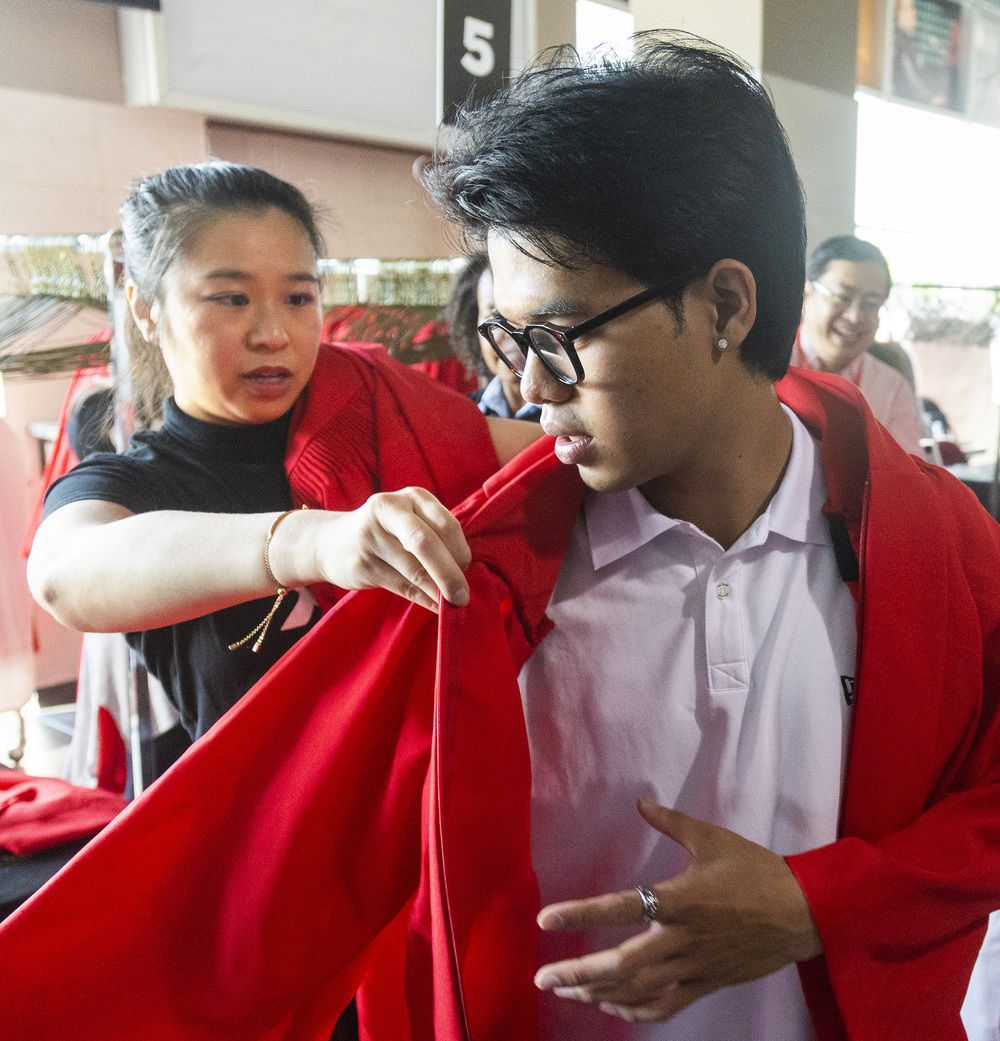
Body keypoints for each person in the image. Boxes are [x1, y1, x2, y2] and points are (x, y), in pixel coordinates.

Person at [418, 32, 1000, 1040]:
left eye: (560, 337)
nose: (524, 385)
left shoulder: (927, 542)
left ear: (726, 303)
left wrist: (822, 905)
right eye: (506, 339)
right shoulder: (489, 570)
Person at [23, 161, 539, 1040]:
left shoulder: (385, 416)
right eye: (229, 299)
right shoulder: (134, 479)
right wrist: (309, 541)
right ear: (147, 309)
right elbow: (68, 572)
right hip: (260, 884)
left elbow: (559, 462)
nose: (273, 333)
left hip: (427, 868)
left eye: (298, 298)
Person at [795, 234, 925, 453]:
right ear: (807, 293)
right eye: (843, 297)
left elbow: (904, 472)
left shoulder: (892, 389)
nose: (855, 316)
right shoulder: (761, 362)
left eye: (871, 303)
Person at [447, 251, 541, 421]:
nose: (510, 332)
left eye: (525, 316)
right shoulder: (461, 416)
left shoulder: (573, 426)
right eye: (495, 316)